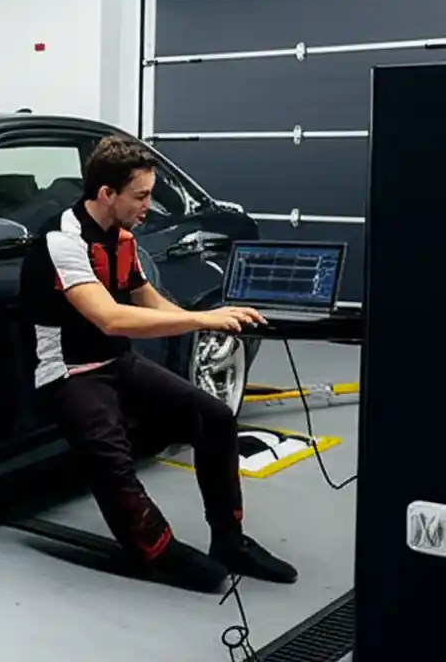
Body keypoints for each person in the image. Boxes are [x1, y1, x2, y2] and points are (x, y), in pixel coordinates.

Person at [19, 134, 298, 592]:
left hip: (115, 360)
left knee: (214, 417)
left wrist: (217, 320)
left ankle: (229, 541)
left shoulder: (122, 239)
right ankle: (156, 551)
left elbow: (146, 298)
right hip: (69, 372)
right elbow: (110, 318)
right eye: (141, 196)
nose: (149, 206)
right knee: (113, 463)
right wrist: (202, 318)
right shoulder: (63, 240)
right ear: (107, 193)